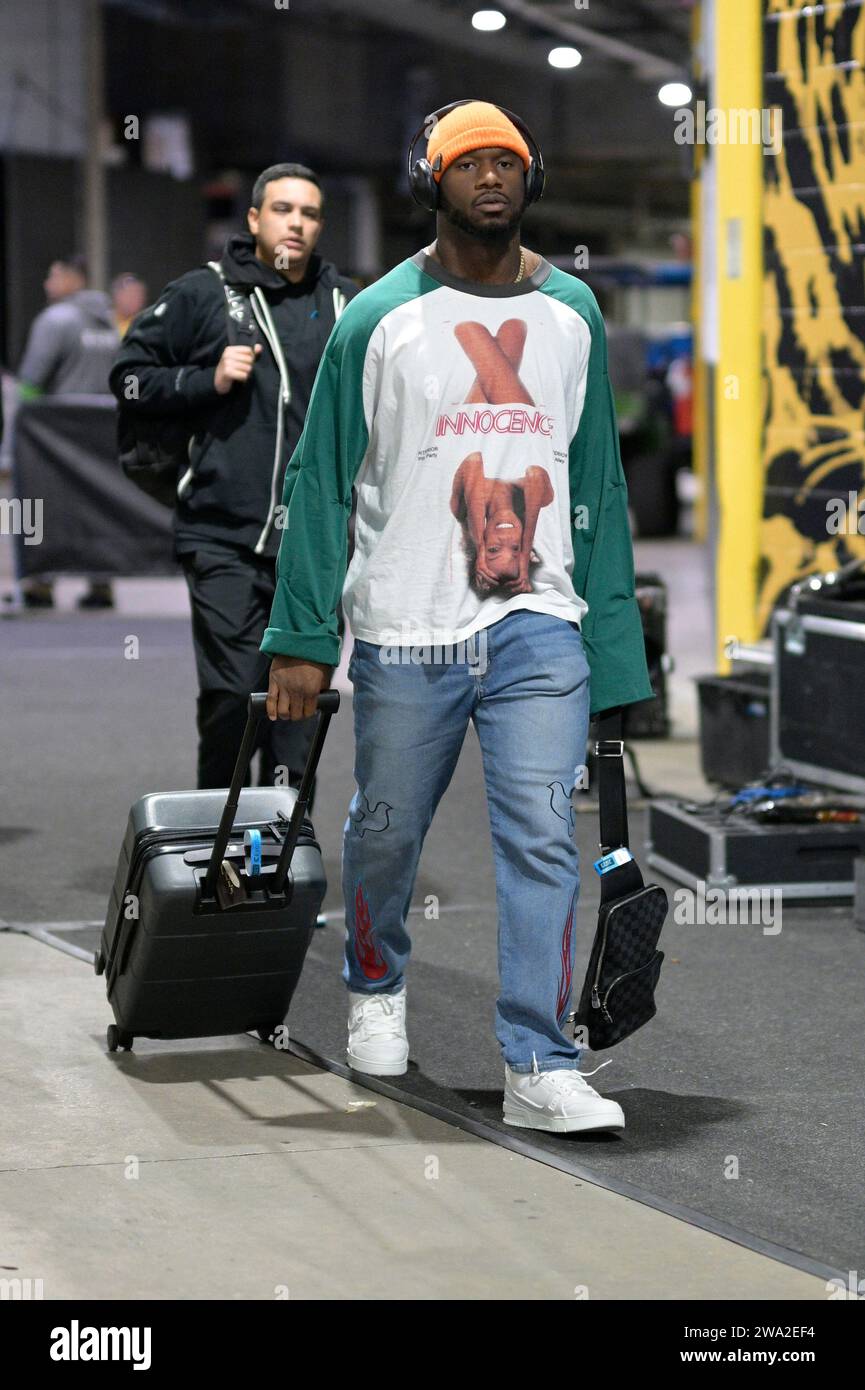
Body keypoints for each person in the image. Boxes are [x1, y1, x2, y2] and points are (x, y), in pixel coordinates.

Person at [262, 102, 653, 1134]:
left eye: (507, 161)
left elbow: (597, 489)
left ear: (529, 178)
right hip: (405, 626)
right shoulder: (376, 319)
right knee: (385, 833)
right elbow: (320, 485)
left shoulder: (573, 312)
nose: (490, 176)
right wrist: (303, 639)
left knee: (540, 840)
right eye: (467, 162)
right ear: (429, 180)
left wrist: (613, 655)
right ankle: (376, 983)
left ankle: (539, 1061)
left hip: (539, 622)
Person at [111, 163, 357, 790]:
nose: (295, 223)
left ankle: (280, 852)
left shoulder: (346, 305)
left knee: (297, 711)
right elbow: (129, 376)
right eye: (282, 210)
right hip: (221, 533)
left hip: (314, 545)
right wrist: (206, 379)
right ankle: (210, 836)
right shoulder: (205, 292)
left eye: (308, 213)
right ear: (254, 219)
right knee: (231, 694)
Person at [17, 254, 120, 610]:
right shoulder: (108, 323)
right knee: (98, 505)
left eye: (52, 275)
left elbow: (30, 383)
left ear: (71, 278)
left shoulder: (55, 319)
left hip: (53, 436)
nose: (47, 284)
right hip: (100, 434)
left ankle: (39, 582)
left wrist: (19, 425)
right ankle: (102, 584)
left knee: (37, 504)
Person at [111, 273, 148, 338]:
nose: (133, 299)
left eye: (137, 295)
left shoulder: (146, 325)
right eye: (129, 294)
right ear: (116, 296)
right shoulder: (104, 321)